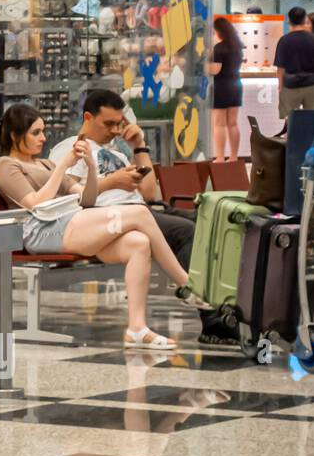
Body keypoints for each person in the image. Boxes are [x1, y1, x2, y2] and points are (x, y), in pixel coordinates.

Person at [0, 103, 204, 351]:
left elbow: (86, 198)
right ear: (15, 136)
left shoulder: (45, 165)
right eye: (36, 133)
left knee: (139, 242)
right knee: (139, 213)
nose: (43, 138)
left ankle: (137, 328)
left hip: (71, 222)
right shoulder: (5, 165)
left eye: (43, 131)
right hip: (42, 230)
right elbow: (35, 204)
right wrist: (63, 166)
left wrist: (91, 167)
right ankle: (185, 284)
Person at [49, 89, 236, 346]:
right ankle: (212, 318)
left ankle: (225, 304)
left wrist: (139, 146)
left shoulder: (117, 151)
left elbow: (148, 192)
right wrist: (111, 181)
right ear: (88, 117)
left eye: (119, 123)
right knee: (186, 231)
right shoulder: (69, 149)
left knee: (208, 224)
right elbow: (71, 195)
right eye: (109, 124)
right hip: (110, 217)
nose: (115, 130)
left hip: (141, 209)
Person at [209, 17, 244, 161]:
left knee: (219, 124)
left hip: (221, 86)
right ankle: (234, 157)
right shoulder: (237, 46)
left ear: (219, 31)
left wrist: (203, 66)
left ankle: (220, 157)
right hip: (236, 85)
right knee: (233, 123)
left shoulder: (219, 48)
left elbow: (216, 70)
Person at [275, 6, 314, 118]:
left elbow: (280, 68)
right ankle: (310, 136)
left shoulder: (284, 41)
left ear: (289, 22)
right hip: (312, 84)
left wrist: (280, 85)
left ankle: (292, 135)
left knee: (291, 120)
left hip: (290, 85)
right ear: (304, 20)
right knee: (312, 119)